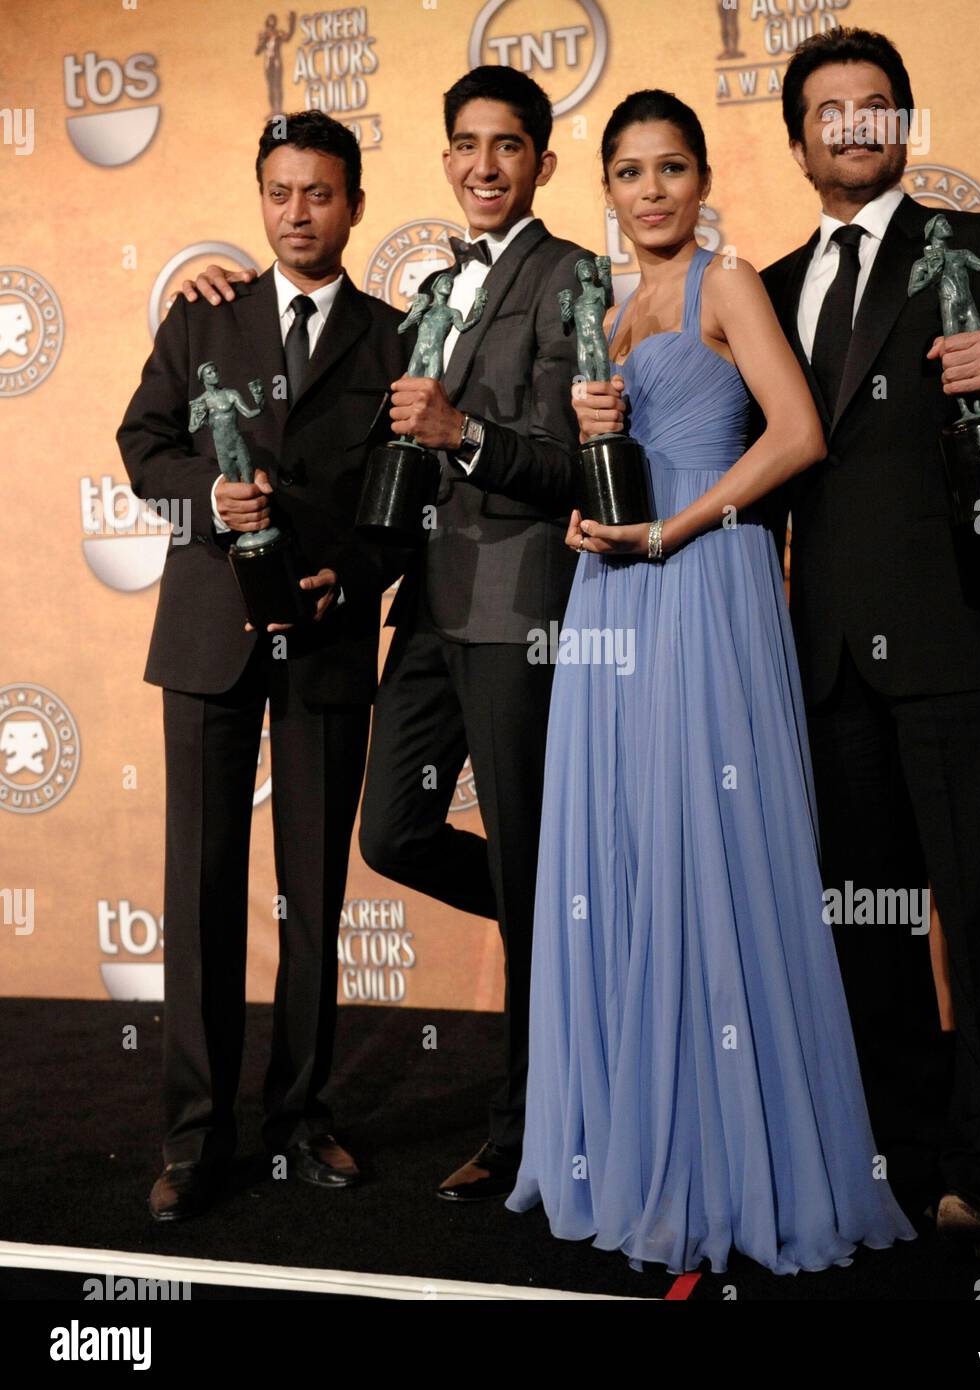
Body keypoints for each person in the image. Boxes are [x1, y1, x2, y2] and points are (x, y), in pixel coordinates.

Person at [505, 89, 916, 1276]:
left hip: (698, 577)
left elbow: (794, 436)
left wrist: (672, 529)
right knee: (619, 856)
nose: (650, 191)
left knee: (703, 854)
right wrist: (596, 475)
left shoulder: (723, 282)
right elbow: (599, 465)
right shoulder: (607, 308)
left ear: (701, 177)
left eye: (671, 167)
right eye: (628, 172)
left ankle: (724, 1159)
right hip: (613, 588)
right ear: (606, 189)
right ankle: (627, 1148)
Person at [759, 27, 980, 1254]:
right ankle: (895, 1154)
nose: (850, 127)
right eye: (828, 110)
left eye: (873, 107)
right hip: (821, 662)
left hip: (953, 642)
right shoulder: (766, 281)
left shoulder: (978, 238)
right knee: (863, 924)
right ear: (797, 137)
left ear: (901, 125)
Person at [118, 110, 409, 1221]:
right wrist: (207, 492)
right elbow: (143, 445)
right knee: (198, 895)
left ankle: (302, 1117)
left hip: (326, 646)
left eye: (320, 193)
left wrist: (356, 571)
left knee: (313, 898)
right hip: (206, 641)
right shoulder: (206, 319)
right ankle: (195, 1138)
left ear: (354, 204)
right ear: (261, 198)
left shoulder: (391, 341)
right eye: (281, 193)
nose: (299, 213)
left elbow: (404, 507)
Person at [356, 66, 599, 1201]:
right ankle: (566, 905)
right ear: (445, 157)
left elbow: (566, 463)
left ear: (542, 163)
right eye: (464, 144)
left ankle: (524, 1131)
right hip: (427, 611)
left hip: (517, 611)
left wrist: (463, 435)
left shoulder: (570, 280)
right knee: (395, 834)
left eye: (507, 146)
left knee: (528, 851)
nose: (483, 165)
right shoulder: (430, 286)